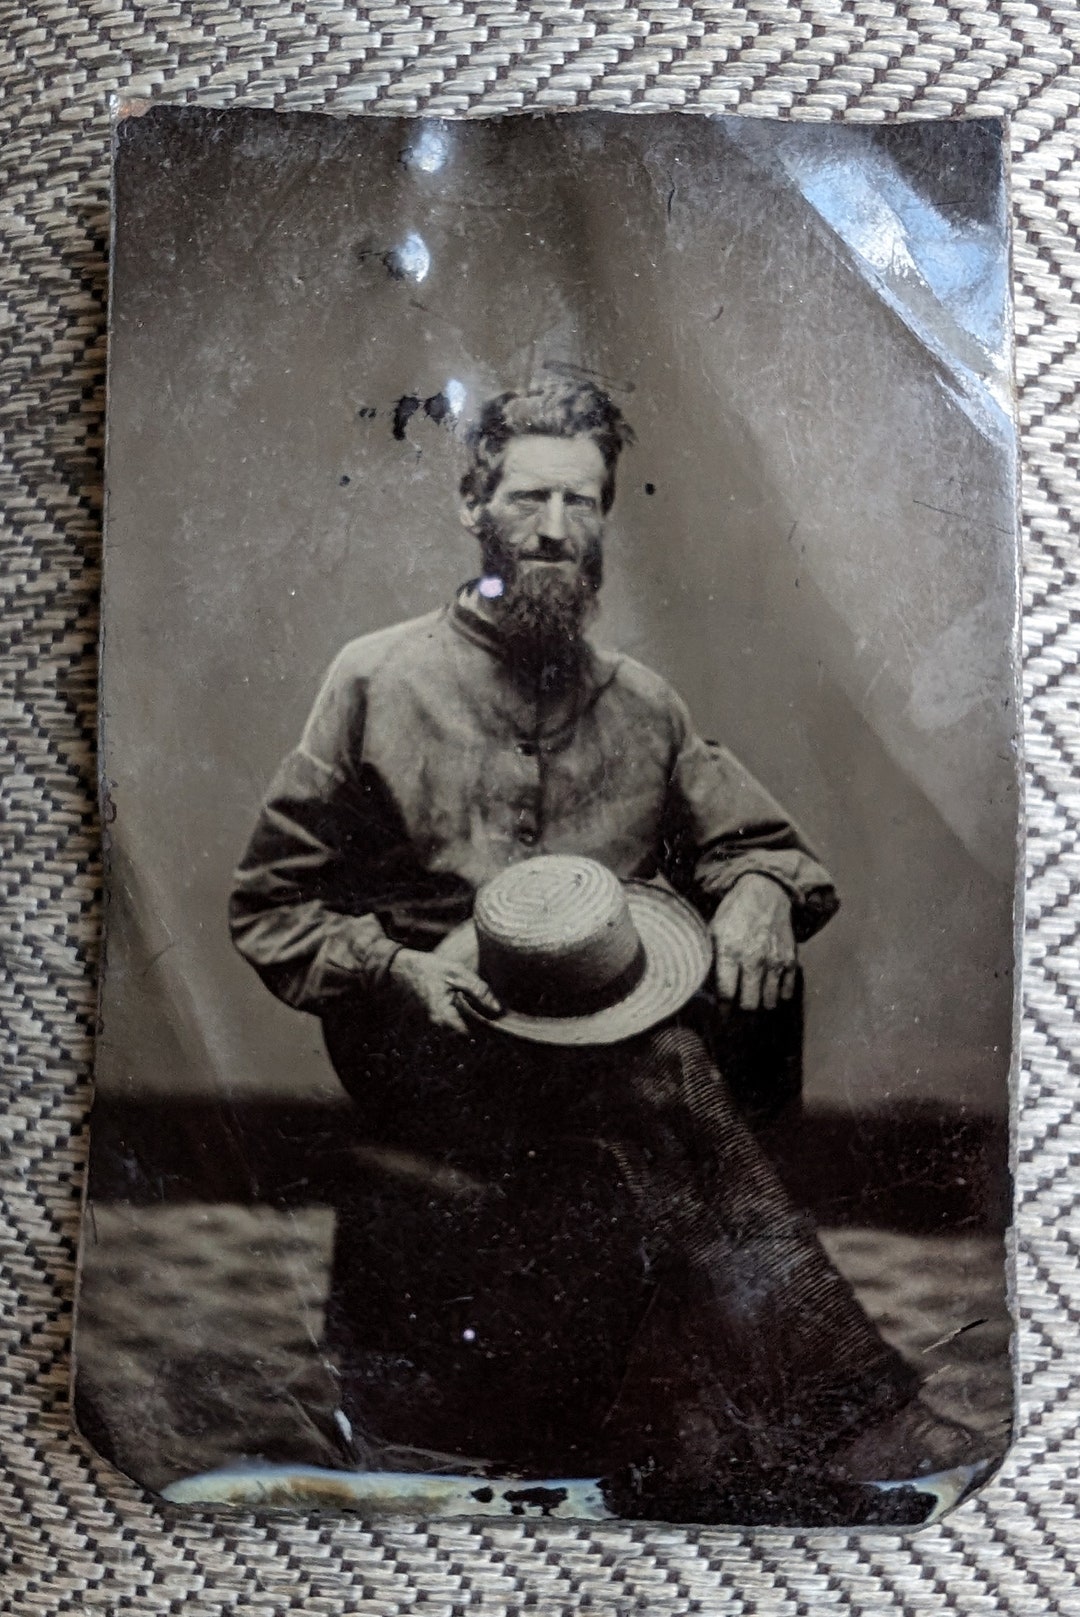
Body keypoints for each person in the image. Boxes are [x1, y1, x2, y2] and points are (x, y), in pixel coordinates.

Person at [229, 379, 986, 1523]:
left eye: (581, 504)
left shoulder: (643, 706)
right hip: (434, 1044)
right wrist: (396, 970)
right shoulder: (375, 681)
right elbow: (271, 907)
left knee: (654, 1079)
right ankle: (848, 1403)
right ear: (472, 499)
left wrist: (760, 894)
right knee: (668, 1077)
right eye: (529, 496)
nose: (552, 530)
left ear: (604, 520)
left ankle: (689, 1435)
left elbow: (767, 849)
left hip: (606, 1051)